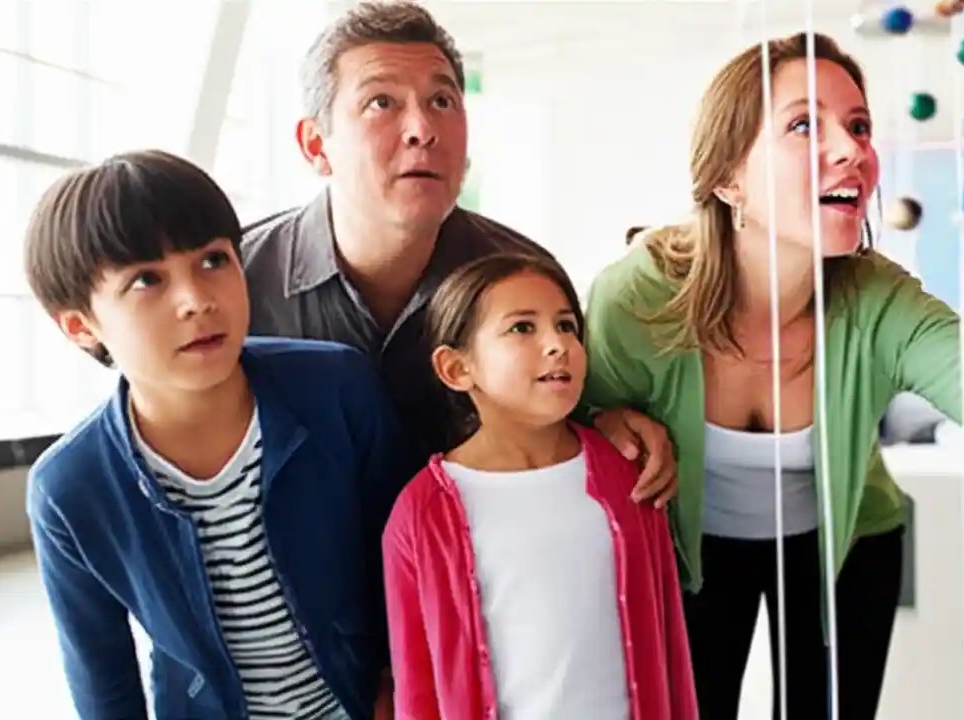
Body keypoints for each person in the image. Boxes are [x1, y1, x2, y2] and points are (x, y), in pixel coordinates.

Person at [582, 33, 964, 719]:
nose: (853, 149)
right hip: (690, 555)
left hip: (845, 551)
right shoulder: (639, 297)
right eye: (805, 123)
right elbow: (562, 423)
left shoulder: (877, 298)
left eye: (859, 125)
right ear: (728, 178)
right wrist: (602, 421)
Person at [23, 150, 411, 719]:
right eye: (147, 280)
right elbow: (101, 675)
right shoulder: (68, 488)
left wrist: (400, 682)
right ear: (81, 325)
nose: (196, 300)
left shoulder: (336, 386)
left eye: (213, 261)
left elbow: (408, 556)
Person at [239, 0, 675, 504]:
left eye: (442, 102)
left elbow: (557, 419)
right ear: (316, 145)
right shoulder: (239, 283)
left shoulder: (522, 278)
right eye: (381, 102)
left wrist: (605, 424)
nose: (422, 129)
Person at [381, 253, 697, 719]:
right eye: (522, 328)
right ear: (455, 369)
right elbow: (418, 684)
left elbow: (669, 646)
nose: (557, 344)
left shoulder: (629, 476)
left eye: (567, 325)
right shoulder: (422, 514)